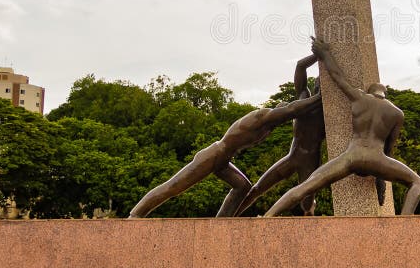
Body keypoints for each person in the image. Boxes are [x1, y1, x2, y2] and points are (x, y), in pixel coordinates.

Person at [264, 38, 420, 217]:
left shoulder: (360, 98)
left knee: (305, 187)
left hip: (351, 157)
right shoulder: (397, 114)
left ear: (369, 91)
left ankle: (267, 216)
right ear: (385, 95)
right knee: (417, 182)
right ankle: (403, 224)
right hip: (376, 159)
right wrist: (381, 180)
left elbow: (338, 76)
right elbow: (388, 150)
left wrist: (324, 54)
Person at [128, 86, 321, 218]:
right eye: (283, 114)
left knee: (243, 187)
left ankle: (222, 222)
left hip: (224, 160)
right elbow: (293, 109)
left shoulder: (268, 127)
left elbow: (293, 111)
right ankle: (136, 213)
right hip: (214, 155)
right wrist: (320, 97)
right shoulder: (262, 116)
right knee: (174, 186)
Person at [232, 54, 325, 216]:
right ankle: (229, 218)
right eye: (318, 81)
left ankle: (311, 219)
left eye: (323, 83)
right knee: (257, 188)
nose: (319, 84)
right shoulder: (303, 98)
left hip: (310, 162)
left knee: (306, 205)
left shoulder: (328, 114)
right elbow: (300, 66)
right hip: (292, 156)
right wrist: (317, 54)